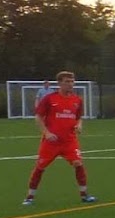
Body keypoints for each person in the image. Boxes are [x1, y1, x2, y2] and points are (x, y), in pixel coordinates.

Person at [22, 71, 96, 207]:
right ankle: (29, 197)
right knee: (40, 167)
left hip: (69, 141)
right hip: (51, 142)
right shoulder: (50, 99)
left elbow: (78, 117)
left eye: (72, 81)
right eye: (67, 81)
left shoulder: (77, 100)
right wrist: (47, 133)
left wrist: (79, 125)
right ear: (60, 83)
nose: (70, 84)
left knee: (78, 164)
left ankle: (85, 195)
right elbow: (38, 117)